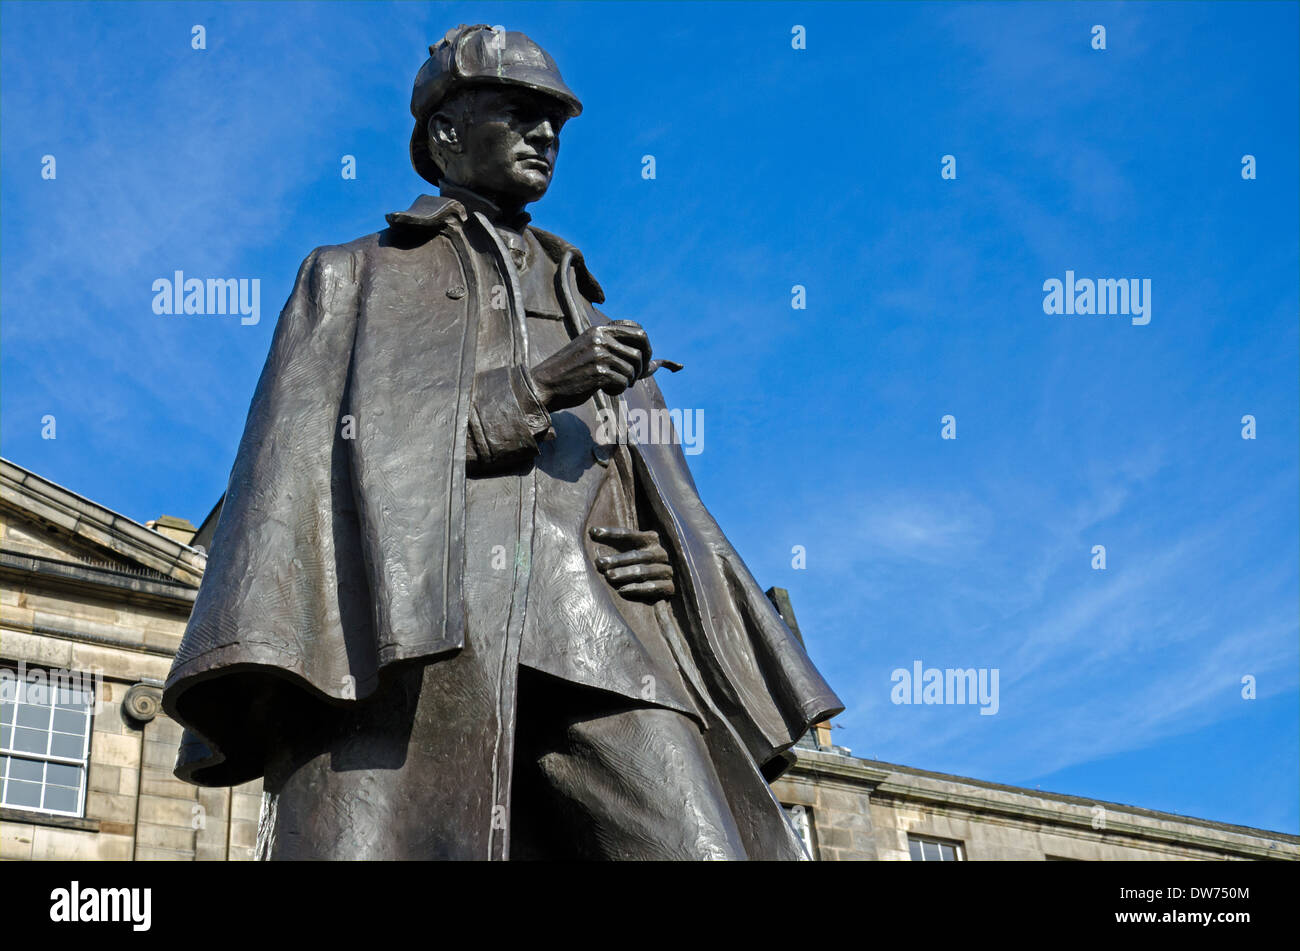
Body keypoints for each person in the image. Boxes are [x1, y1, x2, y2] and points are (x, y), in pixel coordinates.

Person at [162, 24, 842, 860]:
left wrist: (668, 573)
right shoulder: (354, 277)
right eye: (519, 113)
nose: (546, 134)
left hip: (599, 633)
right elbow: (313, 468)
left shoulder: (592, 313)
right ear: (446, 133)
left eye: (555, 120)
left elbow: (662, 499)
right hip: (417, 637)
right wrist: (536, 388)